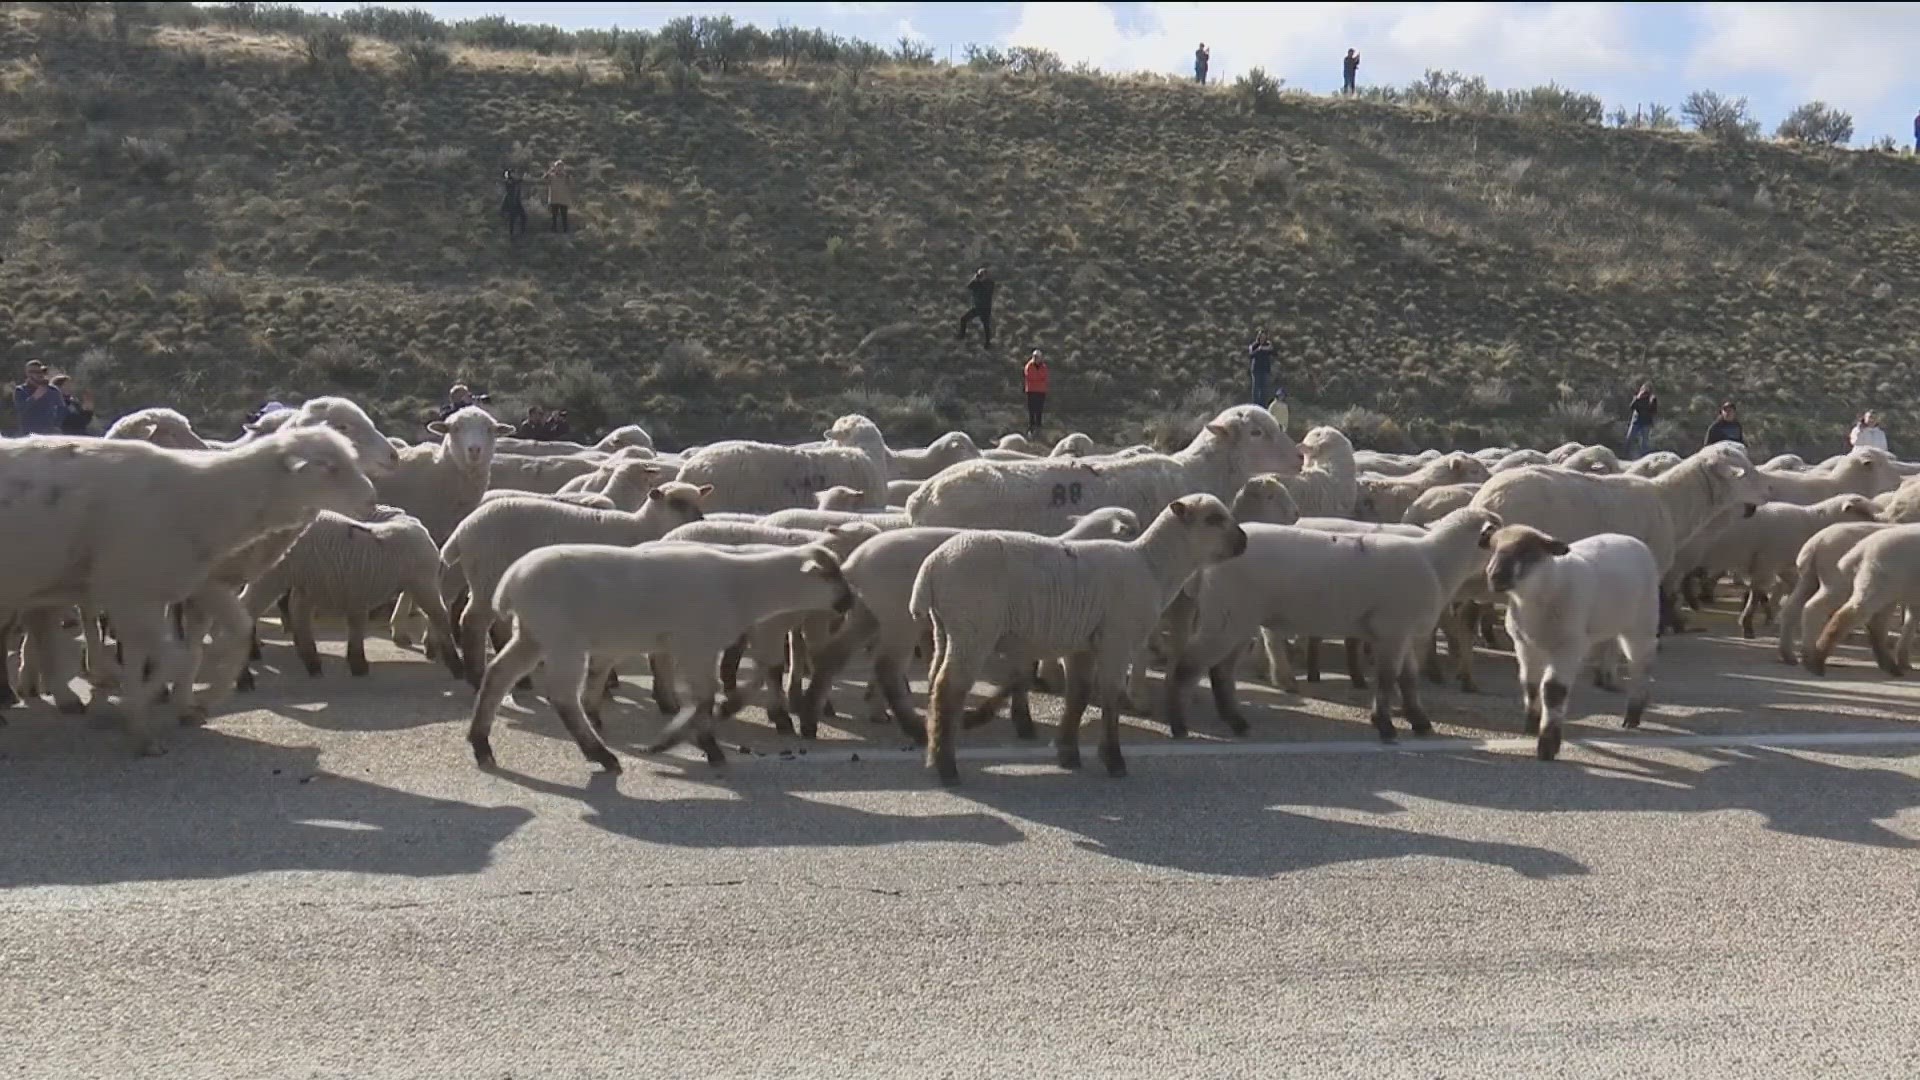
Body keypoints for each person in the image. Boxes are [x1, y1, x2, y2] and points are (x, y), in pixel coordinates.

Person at [12, 359, 67, 436]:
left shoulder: (53, 390)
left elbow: (62, 409)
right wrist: (34, 397)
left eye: (38, 371)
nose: (36, 374)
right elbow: (20, 409)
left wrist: (57, 424)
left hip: (49, 432)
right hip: (28, 433)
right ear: (27, 373)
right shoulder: (20, 390)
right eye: (32, 372)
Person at [957, 266, 996, 351]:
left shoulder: (989, 283)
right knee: (963, 319)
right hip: (977, 307)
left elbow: (987, 290)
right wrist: (975, 279)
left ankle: (987, 343)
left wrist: (980, 281)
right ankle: (962, 335)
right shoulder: (976, 283)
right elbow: (969, 286)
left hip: (985, 308)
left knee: (986, 325)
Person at [1624, 383, 1658, 459]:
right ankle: (1626, 456)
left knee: (1644, 443)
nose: (1646, 391)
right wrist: (1638, 398)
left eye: (1647, 389)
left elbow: (1654, 411)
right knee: (1629, 439)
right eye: (1644, 389)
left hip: (1646, 422)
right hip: (1636, 421)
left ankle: (1643, 458)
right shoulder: (1638, 397)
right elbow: (1632, 407)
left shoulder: (1652, 399)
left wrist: (1651, 402)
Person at [541, 159, 573, 234]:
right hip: (554, 199)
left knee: (564, 216)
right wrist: (549, 171)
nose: (559, 168)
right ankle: (554, 231)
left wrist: (568, 177)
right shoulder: (551, 176)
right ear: (555, 167)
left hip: (563, 200)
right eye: (558, 166)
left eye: (561, 166)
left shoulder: (566, 176)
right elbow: (543, 179)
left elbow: (571, 184)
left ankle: (565, 231)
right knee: (554, 216)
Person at [1247, 330, 1277, 408]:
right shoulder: (1254, 345)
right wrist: (1259, 349)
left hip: (1265, 370)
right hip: (1256, 369)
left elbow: (1274, 353)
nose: (1262, 338)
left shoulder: (1268, 345)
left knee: (1264, 389)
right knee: (1256, 389)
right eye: (1261, 337)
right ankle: (1255, 405)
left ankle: (1264, 406)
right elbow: (1251, 355)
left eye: (1264, 337)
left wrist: (1269, 349)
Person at [1023, 350, 1049, 438]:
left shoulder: (1044, 367)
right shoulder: (1029, 366)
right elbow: (1031, 376)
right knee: (1031, 410)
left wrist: (1038, 379)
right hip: (1031, 391)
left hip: (1041, 391)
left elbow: (1044, 376)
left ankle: (1038, 429)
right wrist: (1039, 379)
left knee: (1039, 411)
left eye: (1037, 357)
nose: (1036, 358)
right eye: (1034, 357)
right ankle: (1031, 429)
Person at [500, 168, 527, 239]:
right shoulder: (509, 181)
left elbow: (517, 182)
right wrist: (521, 179)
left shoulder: (514, 181)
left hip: (516, 202)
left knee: (523, 216)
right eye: (512, 173)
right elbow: (513, 182)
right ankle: (511, 234)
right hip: (510, 202)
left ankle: (521, 232)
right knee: (512, 219)